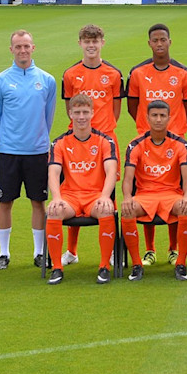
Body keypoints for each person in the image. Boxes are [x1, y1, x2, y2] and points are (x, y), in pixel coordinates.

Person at [126, 23, 187, 269]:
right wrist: (147, 128)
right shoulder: (137, 73)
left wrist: (176, 127)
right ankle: (150, 250)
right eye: (154, 40)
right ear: (149, 43)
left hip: (174, 142)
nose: (159, 43)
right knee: (145, 191)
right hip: (146, 142)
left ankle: (173, 249)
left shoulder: (183, 73)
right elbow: (132, 105)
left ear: (169, 41)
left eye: (163, 39)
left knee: (174, 193)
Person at [0, 29, 56, 270]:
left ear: (33, 48)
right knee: (5, 201)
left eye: (26, 46)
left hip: (38, 151)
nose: (22, 50)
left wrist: (37, 137)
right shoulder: (0, 80)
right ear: (11, 50)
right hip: (8, 151)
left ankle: (39, 252)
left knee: (38, 202)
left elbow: (48, 116)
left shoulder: (46, 80)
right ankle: (4, 253)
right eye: (18, 46)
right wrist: (11, 137)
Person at [61, 24, 125, 267]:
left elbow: (116, 108)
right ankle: (71, 251)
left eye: (95, 41)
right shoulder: (70, 74)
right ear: (80, 43)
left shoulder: (114, 73)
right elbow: (70, 107)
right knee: (74, 189)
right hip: (76, 141)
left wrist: (103, 131)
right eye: (86, 41)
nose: (91, 45)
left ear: (102, 43)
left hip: (105, 140)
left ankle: (109, 252)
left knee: (107, 193)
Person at [45, 94, 119, 285]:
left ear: (92, 113)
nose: (81, 117)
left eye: (85, 112)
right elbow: (53, 172)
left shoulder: (104, 141)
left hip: (95, 196)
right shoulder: (60, 142)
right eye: (77, 112)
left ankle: (104, 267)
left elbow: (111, 171)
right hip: (70, 196)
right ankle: (56, 268)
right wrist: (56, 197)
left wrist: (105, 196)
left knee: (106, 209)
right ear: (70, 114)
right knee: (54, 212)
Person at [120, 100, 187, 282]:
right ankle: (136, 265)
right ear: (147, 118)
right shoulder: (135, 145)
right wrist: (127, 197)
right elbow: (128, 178)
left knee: (185, 209)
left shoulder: (180, 144)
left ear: (169, 118)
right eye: (154, 115)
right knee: (127, 211)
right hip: (145, 195)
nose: (158, 120)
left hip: (171, 194)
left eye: (162, 116)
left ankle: (181, 264)